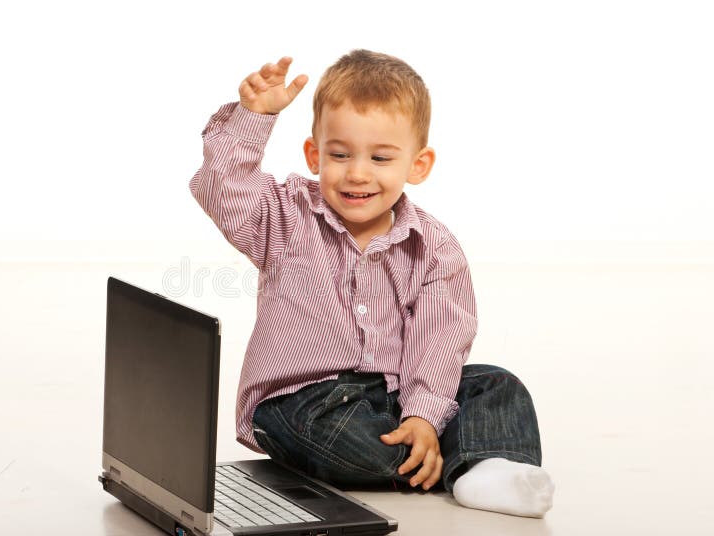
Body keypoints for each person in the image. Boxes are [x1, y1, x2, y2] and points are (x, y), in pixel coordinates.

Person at [189, 50, 555, 518]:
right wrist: (253, 117)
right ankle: (460, 455)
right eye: (339, 155)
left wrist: (422, 414)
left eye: (380, 158)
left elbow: (441, 338)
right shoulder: (284, 218)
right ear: (315, 155)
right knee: (341, 436)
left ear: (418, 165)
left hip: (395, 394)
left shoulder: (434, 247)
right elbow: (222, 188)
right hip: (304, 402)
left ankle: (480, 467)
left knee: (496, 384)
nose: (357, 173)